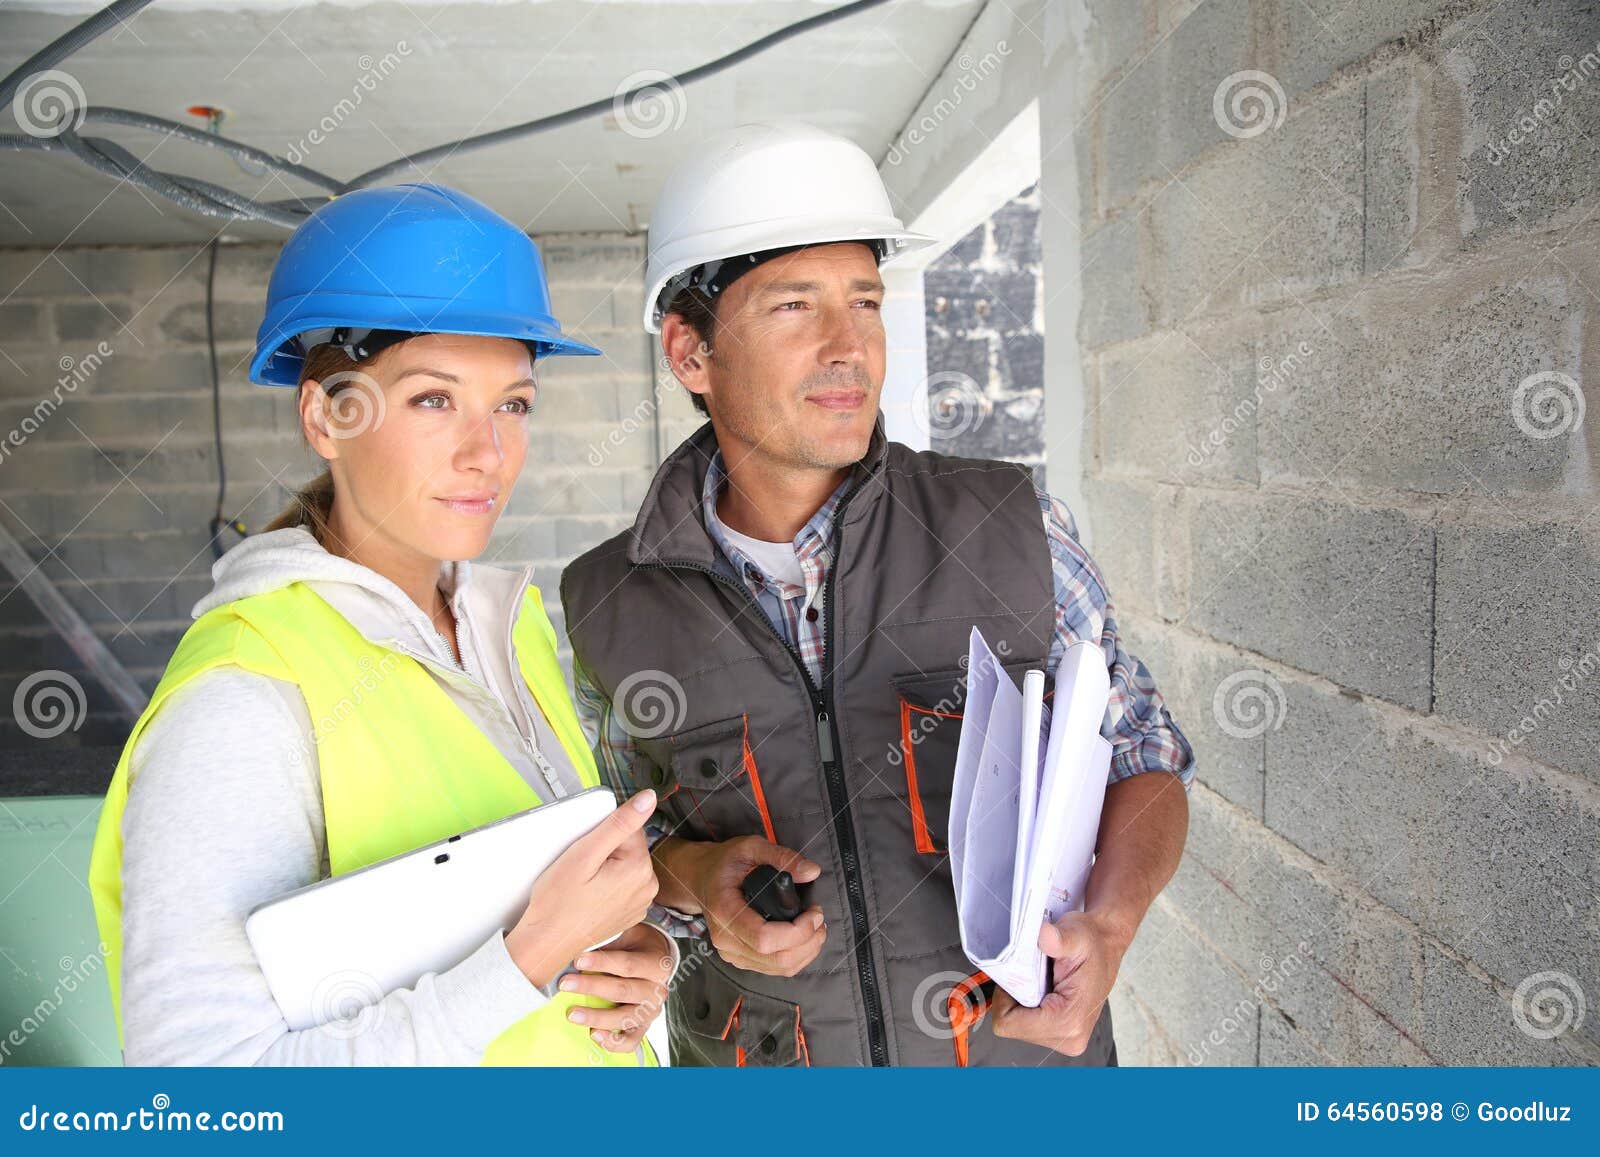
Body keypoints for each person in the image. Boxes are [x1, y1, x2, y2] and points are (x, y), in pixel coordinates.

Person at [561, 122, 1195, 1067]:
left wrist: (1112, 920)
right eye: (794, 307)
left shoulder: (1007, 524)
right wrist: (693, 877)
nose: (848, 346)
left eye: (866, 301)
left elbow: (1146, 755)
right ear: (691, 355)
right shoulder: (607, 601)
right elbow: (615, 855)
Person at [88, 182, 674, 1066]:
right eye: (434, 400)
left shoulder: (505, 627)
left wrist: (622, 956)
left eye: (512, 403)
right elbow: (205, 1090)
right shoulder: (246, 693)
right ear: (326, 413)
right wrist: (529, 960)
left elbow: (530, 918)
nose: (488, 451)